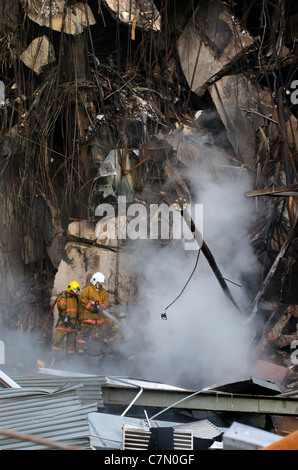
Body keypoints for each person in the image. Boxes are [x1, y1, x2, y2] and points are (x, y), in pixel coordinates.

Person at [77, 272, 119, 355]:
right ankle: (80, 350)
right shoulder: (87, 290)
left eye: (101, 284)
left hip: (100, 317)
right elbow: (83, 300)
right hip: (89, 317)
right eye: (99, 283)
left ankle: (114, 347)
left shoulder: (103, 291)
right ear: (94, 282)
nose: (101, 285)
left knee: (107, 331)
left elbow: (106, 300)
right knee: (84, 334)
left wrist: (102, 307)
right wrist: (92, 308)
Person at [51, 281, 80, 360]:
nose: (75, 293)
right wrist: (63, 296)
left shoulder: (77, 299)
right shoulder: (63, 297)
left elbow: (80, 311)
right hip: (63, 324)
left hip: (73, 326)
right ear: (70, 289)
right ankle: (53, 359)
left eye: (76, 291)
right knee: (57, 342)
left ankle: (69, 362)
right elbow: (61, 306)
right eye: (74, 291)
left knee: (71, 346)